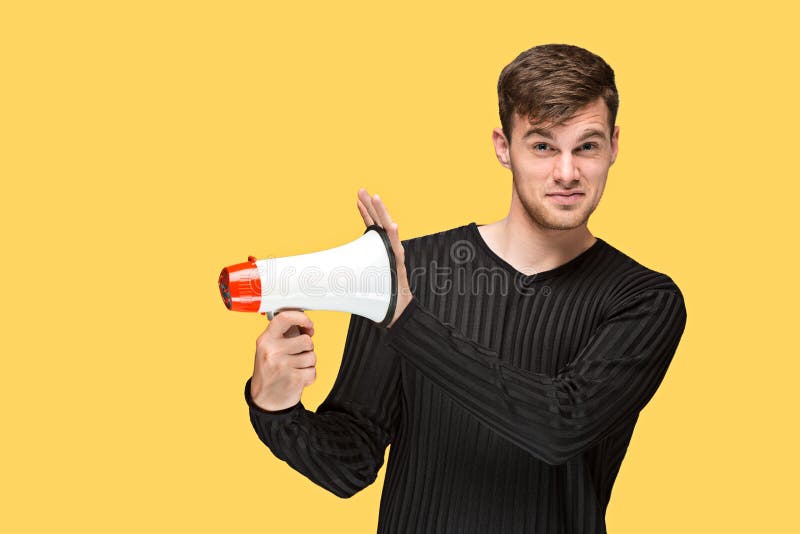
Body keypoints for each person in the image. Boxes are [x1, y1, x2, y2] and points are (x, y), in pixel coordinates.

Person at [243, 43, 688, 533]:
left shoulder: (644, 300)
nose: (567, 172)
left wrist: (405, 319)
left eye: (586, 145)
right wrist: (277, 408)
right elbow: (352, 463)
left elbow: (561, 426)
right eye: (542, 146)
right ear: (503, 146)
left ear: (614, 145)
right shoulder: (411, 273)